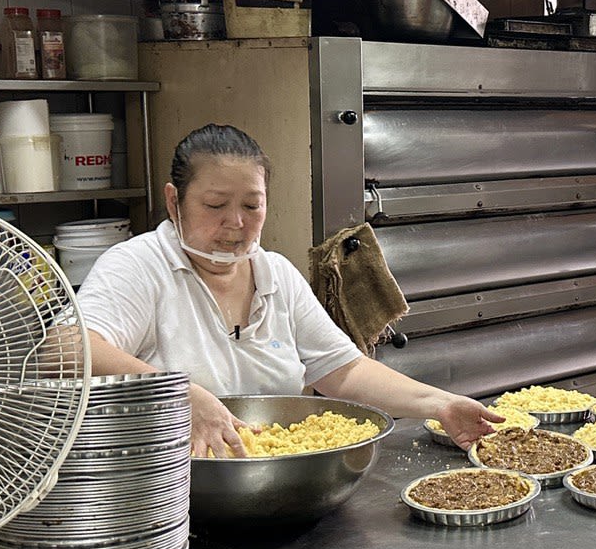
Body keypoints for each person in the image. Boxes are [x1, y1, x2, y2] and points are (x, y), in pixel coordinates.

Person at [77, 123, 503, 457]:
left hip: (271, 488)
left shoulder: (276, 274)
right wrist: (179, 394)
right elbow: (66, 350)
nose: (236, 223)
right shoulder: (139, 266)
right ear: (174, 202)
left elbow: (343, 371)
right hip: (163, 494)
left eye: (252, 205)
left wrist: (440, 404)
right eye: (214, 205)